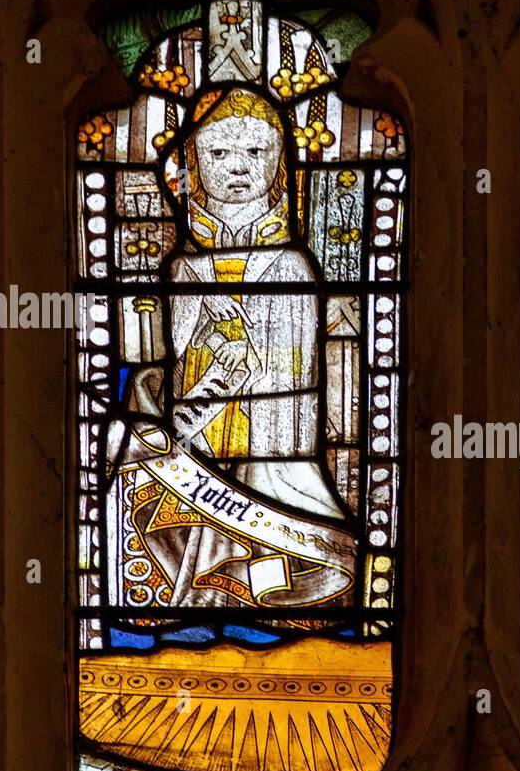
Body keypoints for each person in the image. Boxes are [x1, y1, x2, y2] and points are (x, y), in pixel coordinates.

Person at [118, 87, 354, 608]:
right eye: (220, 154)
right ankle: (207, 606)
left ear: (279, 164)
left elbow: (296, 366)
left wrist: (249, 360)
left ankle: (263, 603)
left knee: (264, 538)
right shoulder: (184, 267)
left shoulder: (291, 267)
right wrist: (208, 334)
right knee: (203, 537)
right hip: (205, 425)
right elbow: (177, 347)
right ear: (196, 166)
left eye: (256, 152)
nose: (238, 168)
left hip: (268, 438)